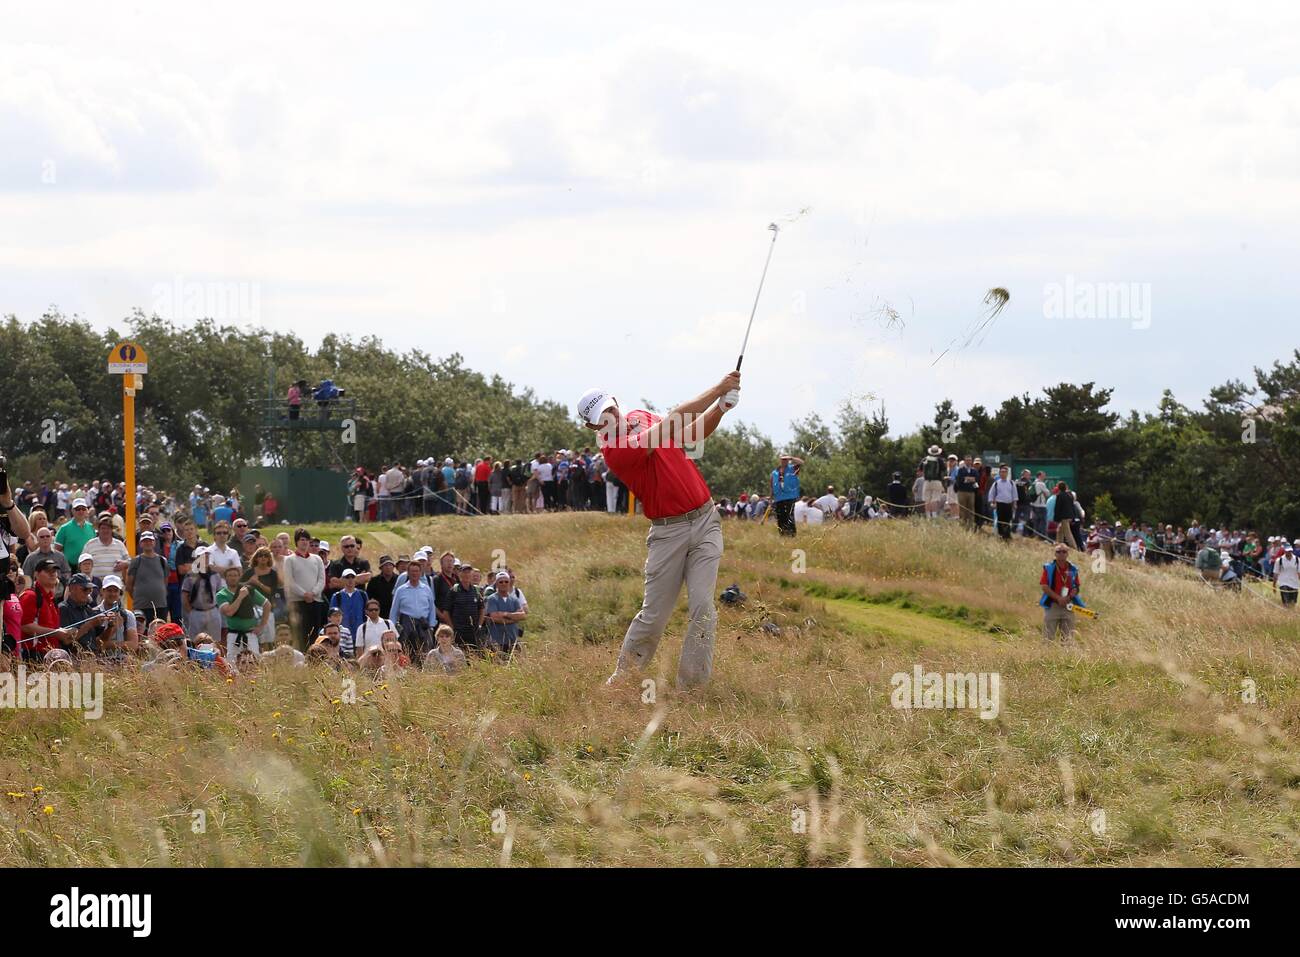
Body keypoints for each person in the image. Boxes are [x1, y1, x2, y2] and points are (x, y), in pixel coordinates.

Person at [579, 369, 739, 690]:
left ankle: (691, 688)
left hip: (706, 520)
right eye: (601, 416)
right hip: (669, 533)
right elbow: (672, 421)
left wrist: (720, 408)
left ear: (616, 403)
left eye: (610, 408)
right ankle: (622, 681)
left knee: (703, 606)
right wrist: (716, 389)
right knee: (654, 616)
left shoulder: (641, 416)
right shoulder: (615, 451)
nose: (609, 416)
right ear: (593, 426)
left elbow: (689, 435)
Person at [284, 529, 326, 651]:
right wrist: (304, 594)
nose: (305, 542)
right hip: (298, 602)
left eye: (307, 540)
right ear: (296, 542)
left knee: (314, 633)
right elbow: (289, 581)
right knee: (300, 633)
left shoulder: (317, 559)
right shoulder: (290, 560)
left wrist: (313, 593)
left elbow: (321, 579)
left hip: (315, 601)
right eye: (302, 539)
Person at [390, 556, 437, 660]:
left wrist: (432, 625)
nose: (414, 574)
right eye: (412, 571)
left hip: (423, 624)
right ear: (408, 573)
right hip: (406, 624)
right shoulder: (401, 590)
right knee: (406, 652)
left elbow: (432, 608)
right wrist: (392, 628)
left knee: (425, 653)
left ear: (420, 573)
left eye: (416, 571)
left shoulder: (426, 589)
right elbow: (394, 610)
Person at [217, 564, 268, 659]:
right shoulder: (222, 594)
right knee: (233, 663)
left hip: (250, 633)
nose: (233, 578)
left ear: (239, 577)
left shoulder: (249, 590)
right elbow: (229, 612)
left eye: (235, 575)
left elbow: (267, 604)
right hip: (233, 634)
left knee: (254, 661)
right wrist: (240, 596)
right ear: (225, 578)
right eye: (230, 575)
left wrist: (261, 626)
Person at [1040, 543, 1085, 643]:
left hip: (1068, 605)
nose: (1061, 554)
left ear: (1068, 554)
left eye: (1064, 552)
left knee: (1068, 638)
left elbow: (1076, 587)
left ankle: (1066, 657)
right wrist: (1058, 598)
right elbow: (1044, 586)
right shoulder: (1048, 568)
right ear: (1054, 554)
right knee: (1048, 636)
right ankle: (1045, 657)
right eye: (1058, 552)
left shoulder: (1073, 569)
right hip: (1053, 605)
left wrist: (1069, 597)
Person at [181, 546, 225, 642]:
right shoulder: (191, 575)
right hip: (196, 611)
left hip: (212, 611)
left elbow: (220, 592)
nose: (204, 559)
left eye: (206, 556)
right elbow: (185, 595)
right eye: (201, 556)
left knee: (215, 640)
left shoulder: (215, 575)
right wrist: (191, 612)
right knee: (195, 640)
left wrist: (218, 609)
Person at [126, 530, 169, 625]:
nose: (148, 543)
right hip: (142, 606)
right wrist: (139, 598)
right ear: (141, 544)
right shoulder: (136, 561)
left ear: (154, 542)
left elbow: (165, 582)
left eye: (150, 540)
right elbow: (129, 585)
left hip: (160, 605)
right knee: (142, 634)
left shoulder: (163, 561)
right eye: (145, 541)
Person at [484, 569, 526, 656]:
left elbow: (522, 615)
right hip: (497, 640)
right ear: (496, 583)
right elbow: (494, 617)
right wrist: (514, 619)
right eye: (501, 582)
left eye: (506, 581)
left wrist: (506, 615)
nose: (504, 584)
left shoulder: (514, 599)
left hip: (512, 639)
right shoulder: (492, 599)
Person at [448, 563, 486, 652]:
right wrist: (451, 627)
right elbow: (446, 611)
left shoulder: (476, 591)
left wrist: (479, 625)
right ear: (459, 574)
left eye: (469, 572)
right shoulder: (454, 590)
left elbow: (482, 609)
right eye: (464, 572)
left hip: (473, 632)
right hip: (458, 632)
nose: (466, 574)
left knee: (474, 656)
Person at [986, 465, 1018, 541]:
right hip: (1000, 504)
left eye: (1005, 472)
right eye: (1001, 472)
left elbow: (1014, 494)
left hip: (1008, 504)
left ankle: (1007, 535)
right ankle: (1001, 534)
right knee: (1000, 520)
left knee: (1008, 520)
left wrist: (1015, 503)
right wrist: (992, 503)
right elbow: (991, 493)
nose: (1003, 473)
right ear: (999, 473)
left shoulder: (1011, 483)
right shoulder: (996, 483)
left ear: (1007, 473)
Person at [920, 446, 946, 519]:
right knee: (935, 499)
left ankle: (928, 516)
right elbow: (944, 469)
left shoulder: (925, 459)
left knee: (927, 499)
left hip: (927, 481)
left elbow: (920, 469)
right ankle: (934, 516)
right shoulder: (939, 460)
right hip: (937, 481)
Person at [1277, 543, 1300, 608]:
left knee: (1293, 602)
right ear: (1285, 551)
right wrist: (1274, 584)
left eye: (1290, 551)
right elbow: (1275, 573)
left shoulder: (1297, 560)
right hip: (1283, 583)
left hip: (1294, 583)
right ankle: (1286, 611)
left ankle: (1291, 615)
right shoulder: (1279, 560)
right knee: (1286, 602)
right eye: (1287, 551)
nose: (1289, 552)